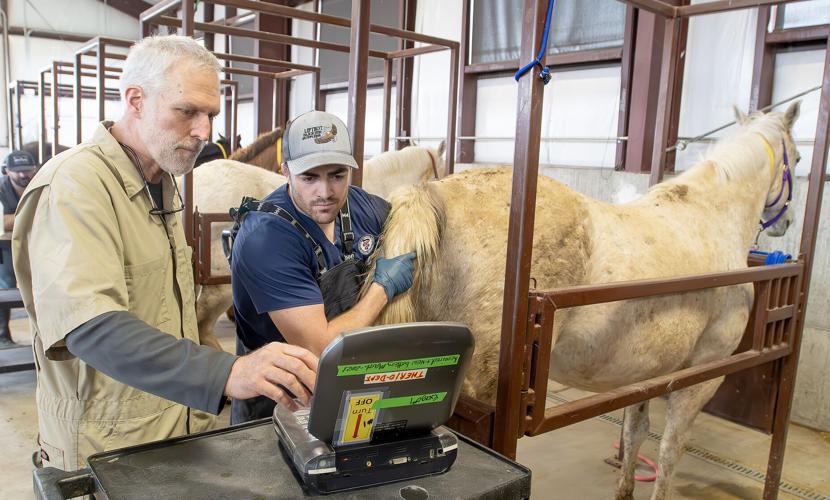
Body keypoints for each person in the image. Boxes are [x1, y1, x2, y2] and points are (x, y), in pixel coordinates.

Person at [12, 35, 317, 472]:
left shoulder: (160, 182)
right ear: (135, 100)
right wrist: (227, 373)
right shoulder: (76, 185)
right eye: (187, 111)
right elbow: (92, 328)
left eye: (210, 114)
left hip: (167, 430)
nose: (203, 131)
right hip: (104, 450)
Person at [230, 110, 416, 424]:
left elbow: (410, 226)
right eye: (310, 177)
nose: (325, 192)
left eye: (337, 175)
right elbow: (320, 348)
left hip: (350, 381)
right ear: (286, 171)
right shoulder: (267, 238)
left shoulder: (360, 206)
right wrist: (381, 290)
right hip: (280, 398)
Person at [0, 150, 38, 348]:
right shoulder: (1, 188)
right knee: (5, 284)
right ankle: (2, 335)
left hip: (33, 243)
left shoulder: (39, 182)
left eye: (28, 170)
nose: (23, 175)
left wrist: (14, 218)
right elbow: (2, 223)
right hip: (5, 246)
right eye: (18, 171)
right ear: (7, 171)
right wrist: (32, 213)